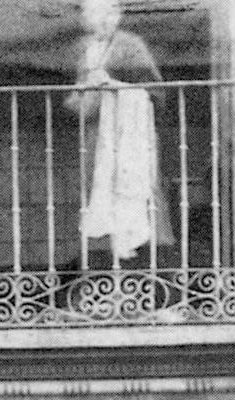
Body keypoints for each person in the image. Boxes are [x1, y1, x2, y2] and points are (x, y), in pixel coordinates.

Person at [64, 0, 173, 268]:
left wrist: (113, 87)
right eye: (88, 14)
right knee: (98, 196)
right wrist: (84, 95)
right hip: (96, 137)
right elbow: (75, 100)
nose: (94, 21)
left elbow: (157, 94)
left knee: (141, 195)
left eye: (100, 13)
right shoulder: (84, 50)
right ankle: (102, 275)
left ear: (115, 15)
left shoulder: (131, 45)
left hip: (132, 136)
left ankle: (150, 275)